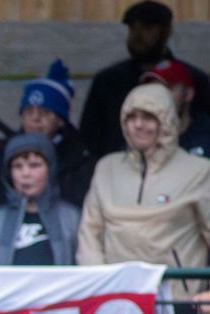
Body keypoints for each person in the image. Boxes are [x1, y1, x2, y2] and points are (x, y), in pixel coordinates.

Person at [77, 83, 210, 301]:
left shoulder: (199, 171)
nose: (138, 125)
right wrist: (100, 288)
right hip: (116, 301)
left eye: (148, 118)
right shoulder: (107, 168)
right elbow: (90, 232)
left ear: (166, 122)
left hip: (177, 302)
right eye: (131, 118)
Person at [79, 1, 210, 159]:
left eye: (147, 28)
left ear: (166, 31)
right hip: (119, 167)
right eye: (133, 29)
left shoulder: (193, 79)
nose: (137, 36)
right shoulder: (108, 81)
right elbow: (89, 137)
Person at [0, 60, 94, 213]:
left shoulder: (81, 160)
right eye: (29, 111)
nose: (35, 118)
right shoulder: (4, 156)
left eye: (44, 112)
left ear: (60, 121)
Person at [0, 133, 81, 265]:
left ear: (50, 170)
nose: (25, 174)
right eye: (18, 166)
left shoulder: (71, 218)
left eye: (34, 165)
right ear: (9, 174)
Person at [140, 59, 210, 158]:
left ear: (188, 94)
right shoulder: (139, 134)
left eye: (167, 88)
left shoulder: (206, 134)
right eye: (153, 89)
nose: (159, 96)